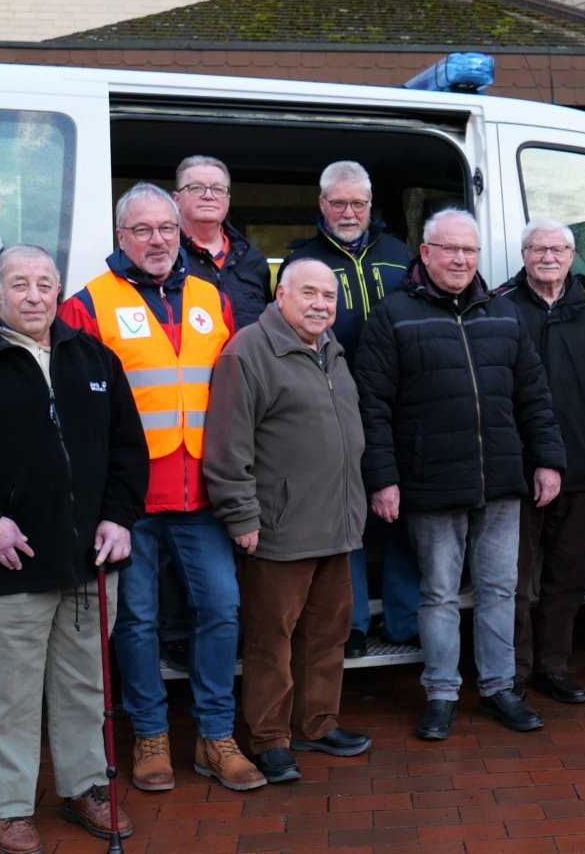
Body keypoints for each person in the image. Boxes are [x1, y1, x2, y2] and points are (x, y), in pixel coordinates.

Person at [0, 245, 147, 854]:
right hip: (8, 561)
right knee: (9, 697)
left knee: (85, 689)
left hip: (89, 563)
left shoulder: (95, 359)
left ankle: (84, 787)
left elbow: (128, 450)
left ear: (59, 290)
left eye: (45, 283)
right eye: (20, 283)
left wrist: (120, 519)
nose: (35, 295)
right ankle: (12, 806)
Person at [57, 183, 264, 791]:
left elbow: (236, 395)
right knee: (137, 620)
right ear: (121, 236)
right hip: (128, 501)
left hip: (201, 492)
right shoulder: (86, 304)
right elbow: (71, 410)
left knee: (221, 610)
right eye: (142, 230)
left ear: (181, 234)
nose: (156, 240)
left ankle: (215, 736)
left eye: (166, 230)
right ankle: (149, 735)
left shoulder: (213, 299)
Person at [351, 208, 566, 741]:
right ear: (425, 253)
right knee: (440, 594)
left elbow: (534, 396)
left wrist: (548, 459)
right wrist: (382, 478)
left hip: (501, 481)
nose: (460, 259)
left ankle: (498, 690)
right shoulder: (394, 314)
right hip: (429, 482)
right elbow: (371, 405)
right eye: (449, 249)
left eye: (469, 251)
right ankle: (441, 694)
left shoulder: (501, 314)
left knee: (499, 590)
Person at [203, 258, 373, 784]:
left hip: (336, 523)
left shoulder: (332, 351)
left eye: (329, 295)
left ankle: (316, 724)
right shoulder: (248, 351)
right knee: (270, 641)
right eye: (309, 293)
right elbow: (227, 448)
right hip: (278, 528)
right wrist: (241, 516)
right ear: (281, 295)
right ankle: (269, 739)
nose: (321, 304)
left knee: (327, 634)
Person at [283, 161, 416, 657]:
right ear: (322, 205)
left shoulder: (401, 256)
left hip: (399, 407)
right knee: (347, 519)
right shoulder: (306, 261)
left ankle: (404, 621)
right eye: (337, 202)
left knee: (404, 513)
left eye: (357, 203)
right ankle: (353, 624)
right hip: (331, 407)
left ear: (370, 205)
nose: (348, 212)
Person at [491, 218, 585, 705]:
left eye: (557, 248)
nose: (547, 256)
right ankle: (514, 670)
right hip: (517, 472)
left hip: (578, 470)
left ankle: (554, 665)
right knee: (513, 578)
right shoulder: (499, 308)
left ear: (571, 255)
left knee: (567, 577)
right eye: (537, 248)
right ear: (523, 254)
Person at [175, 155, 271, 329]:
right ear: (176, 199)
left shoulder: (253, 260)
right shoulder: (166, 258)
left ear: (227, 199)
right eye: (196, 188)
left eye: (218, 189)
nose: (208, 196)